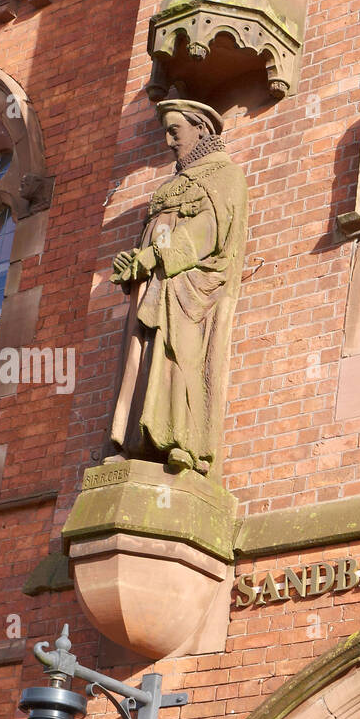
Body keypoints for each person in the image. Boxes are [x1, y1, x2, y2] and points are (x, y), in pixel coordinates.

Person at [108, 99, 248, 474]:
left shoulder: (224, 175)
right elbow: (156, 233)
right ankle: (139, 441)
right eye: (167, 133)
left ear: (200, 127)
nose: (169, 141)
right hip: (153, 287)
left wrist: (155, 255)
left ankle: (183, 442)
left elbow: (208, 231)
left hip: (190, 290)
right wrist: (134, 263)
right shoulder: (171, 184)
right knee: (145, 359)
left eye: (175, 131)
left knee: (180, 358)